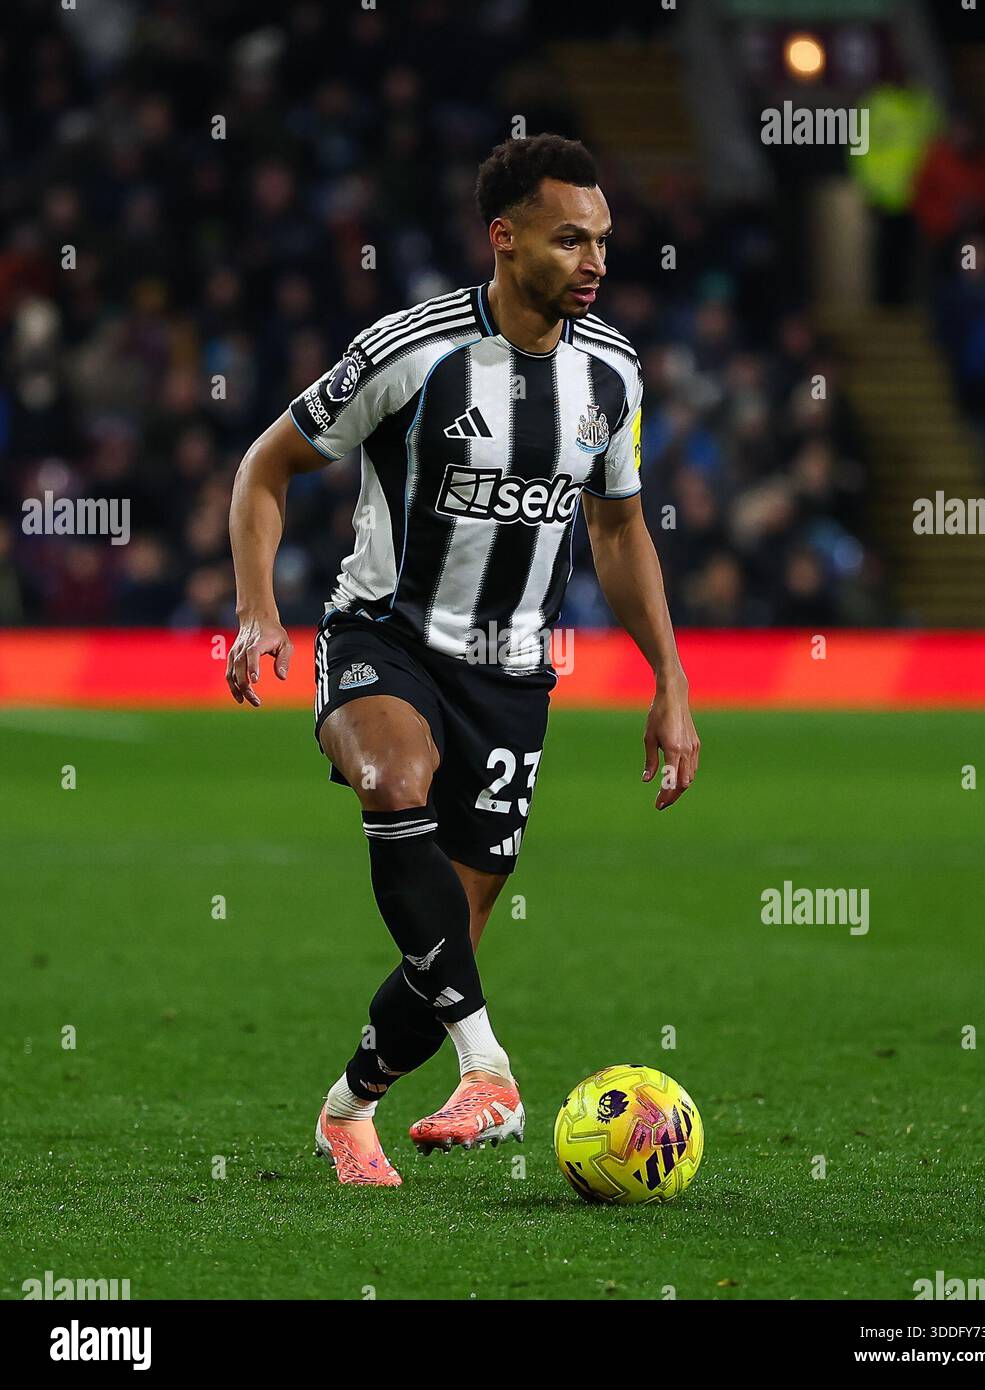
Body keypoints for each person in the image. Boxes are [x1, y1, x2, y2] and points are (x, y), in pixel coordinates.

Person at [226, 134, 700, 1186]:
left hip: (514, 675)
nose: (594, 261)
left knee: (446, 941)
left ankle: (350, 1108)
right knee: (395, 781)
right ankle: (491, 1069)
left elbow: (619, 533)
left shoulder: (610, 372)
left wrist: (669, 680)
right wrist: (260, 611)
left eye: (604, 242)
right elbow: (267, 465)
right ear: (505, 236)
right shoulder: (412, 350)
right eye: (569, 238)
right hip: (383, 636)